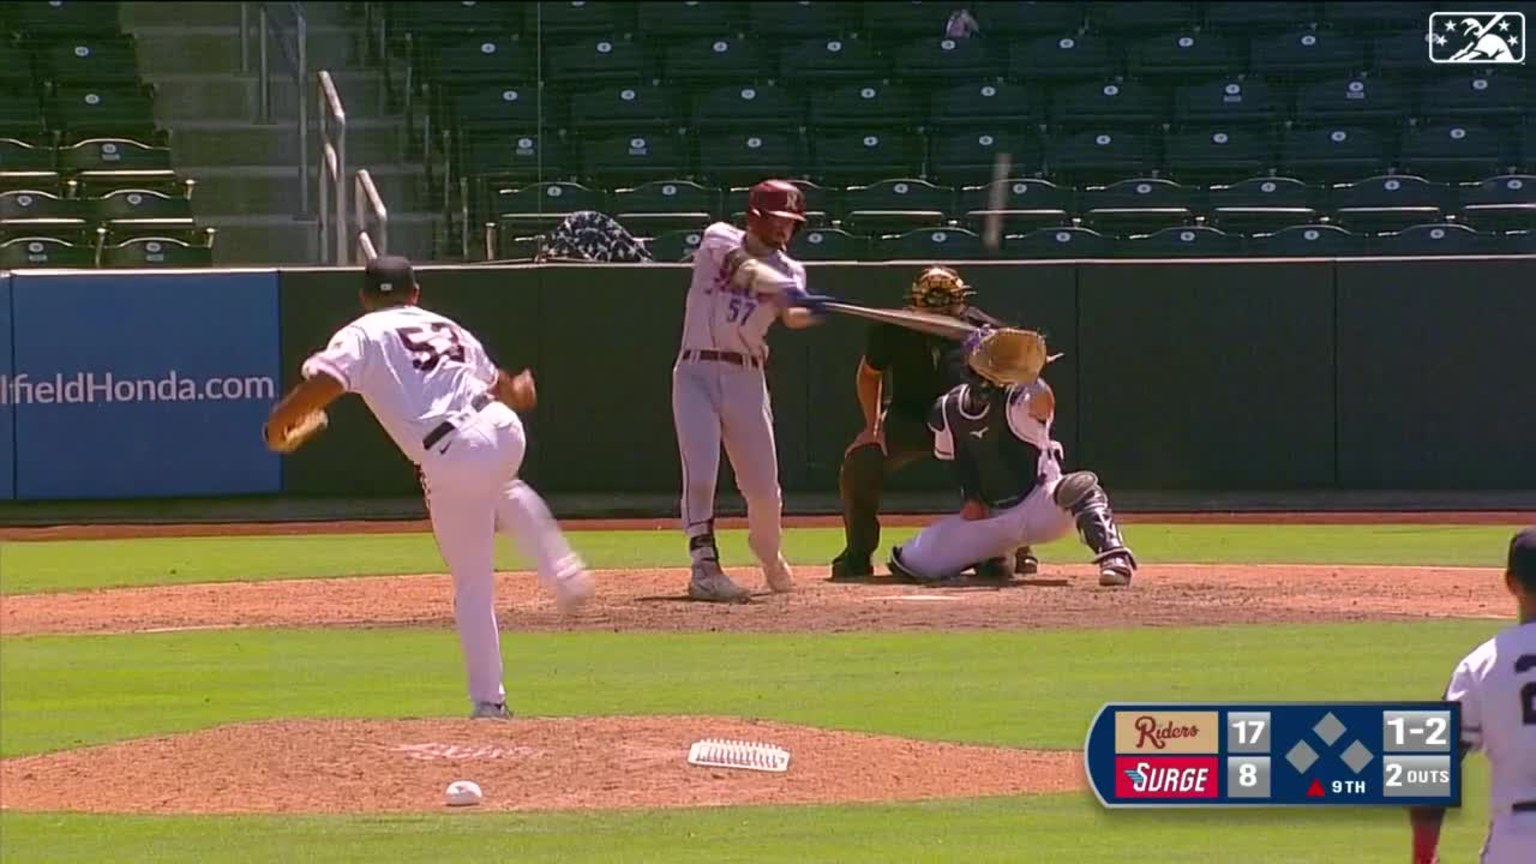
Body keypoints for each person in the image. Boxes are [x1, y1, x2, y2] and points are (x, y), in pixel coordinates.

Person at [262, 255, 593, 720]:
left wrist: (280, 420)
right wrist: (517, 390)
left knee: (473, 583)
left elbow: (328, 379)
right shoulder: (445, 324)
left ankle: (489, 703)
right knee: (499, 482)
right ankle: (564, 571)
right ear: (414, 293)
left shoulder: (362, 331)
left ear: (363, 298)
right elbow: (498, 382)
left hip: (451, 450)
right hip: (502, 427)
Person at [830, 266, 1038, 582]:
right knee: (861, 460)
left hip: (966, 420)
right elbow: (869, 375)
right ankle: (857, 553)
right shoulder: (891, 329)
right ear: (914, 301)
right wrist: (872, 426)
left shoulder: (984, 331)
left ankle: (1015, 548)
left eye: (945, 305)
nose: (937, 313)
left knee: (1006, 462)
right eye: (930, 305)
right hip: (910, 418)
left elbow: (1010, 381)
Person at [886, 330, 1138, 588]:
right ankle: (993, 558)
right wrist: (972, 496)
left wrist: (1031, 375)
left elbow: (1043, 405)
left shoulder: (1021, 398)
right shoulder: (946, 409)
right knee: (909, 561)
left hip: (1041, 505)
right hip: (991, 517)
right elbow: (957, 461)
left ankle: (1115, 557)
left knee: (1081, 488)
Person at [672, 179, 823, 603]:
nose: (784, 230)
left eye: (791, 223)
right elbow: (744, 268)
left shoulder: (792, 271)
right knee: (700, 473)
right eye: (778, 219)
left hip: (746, 378)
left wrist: (809, 307)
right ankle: (704, 567)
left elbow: (791, 317)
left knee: (763, 489)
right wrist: (783, 288)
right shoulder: (719, 236)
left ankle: (769, 555)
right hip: (695, 372)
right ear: (756, 215)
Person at [1409, 526, 1536, 864]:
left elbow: (1427, 766)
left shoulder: (1481, 665)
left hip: (1516, 845)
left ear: (1511, 583)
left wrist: (1423, 859)